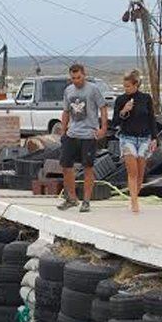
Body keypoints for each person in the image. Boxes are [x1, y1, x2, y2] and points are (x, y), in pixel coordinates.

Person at [57, 63, 108, 212]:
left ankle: (86, 200)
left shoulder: (93, 89)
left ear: (84, 75)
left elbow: (103, 107)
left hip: (88, 134)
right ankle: (71, 197)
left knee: (88, 167)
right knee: (66, 166)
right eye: (73, 78)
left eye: (78, 77)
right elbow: (66, 111)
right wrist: (63, 129)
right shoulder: (68, 90)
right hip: (72, 133)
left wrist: (103, 128)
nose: (76, 81)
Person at [113, 70, 157, 213]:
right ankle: (134, 202)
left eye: (128, 86)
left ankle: (135, 196)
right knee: (132, 171)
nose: (126, 89)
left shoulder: (146, 98)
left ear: (136, 84)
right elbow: (115, 121)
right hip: (127, 138)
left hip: (144, 138)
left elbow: (151, 119)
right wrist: (124, 111)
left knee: (140, 172)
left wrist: (154, 138)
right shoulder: (120, 100)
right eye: (124, 86)